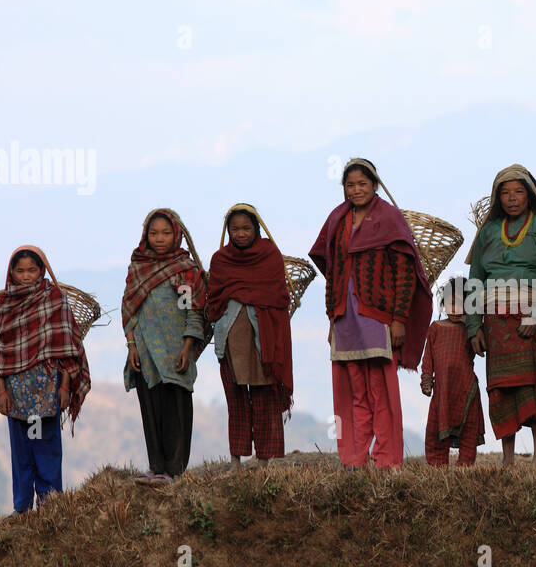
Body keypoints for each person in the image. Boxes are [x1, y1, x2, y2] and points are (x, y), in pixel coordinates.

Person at [309, 158, 433, 469]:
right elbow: (333, 272)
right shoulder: (337, 221)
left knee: (382, 390)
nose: (356, 190)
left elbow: (405, 273)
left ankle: (387, 459)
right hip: (345, 317)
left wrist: (399, 319)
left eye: (362, 184)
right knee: (351, 391)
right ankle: (353, 458)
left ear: (375, 185)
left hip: (379, 316)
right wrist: (332, 317)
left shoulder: (390, 219)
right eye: (350, 185)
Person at [466, 164, 536, 466]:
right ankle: (507, 458)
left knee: (533, 385)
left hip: (529, 322)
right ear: (498, 198)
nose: (512, 198)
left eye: (518, 192)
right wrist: (474, 327)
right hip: (495, 323)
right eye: (505, 193)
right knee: (501, 389)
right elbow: (475, 281)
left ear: (530, 195)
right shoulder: (487, 231)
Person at [0, 246, 91, 514]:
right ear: (11, 272)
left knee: (47, 448)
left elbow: (66, 349)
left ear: (42, 271)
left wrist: (66, 386)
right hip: (16, 392)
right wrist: (1, 392)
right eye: (19, 270)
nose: (25, 276)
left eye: (32, 270)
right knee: (21, 452)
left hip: (48, 389)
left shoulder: (55, 300)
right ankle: (21, 508)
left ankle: (51, 507)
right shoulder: (4, 307)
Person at [122, 208, 208, 484]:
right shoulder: (138, 267)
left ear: (178, 235)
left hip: (175, 351)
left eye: (166, 233)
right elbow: (131, 309)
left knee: (177, 408)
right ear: (145, 235)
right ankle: (156, 466)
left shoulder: (184, 270)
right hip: (145, 351)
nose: (159, 238)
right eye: (154, 232)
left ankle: (175, 469)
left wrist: (187, 346)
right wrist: (132, 345)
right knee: (151, 407)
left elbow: (192, 309)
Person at [206, 203, 293, 466]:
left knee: (265, 397)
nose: (241, 234)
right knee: (236, 400)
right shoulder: (220, 260)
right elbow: (214, 300)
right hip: (231, 340)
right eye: (235, 229)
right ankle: (236, 460)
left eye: (246, 228)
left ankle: (265, 461)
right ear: (228, 231)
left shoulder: (270, 256)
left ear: (256, 228)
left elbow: (279, 297)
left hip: (264, 342)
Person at [420, 276, 485, 467]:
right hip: (442, 391)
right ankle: (437, 467)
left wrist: (472, 322)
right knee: (435, 431)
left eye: (459, 302)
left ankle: (465, 466)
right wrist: (426, 381)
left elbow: (483, 346)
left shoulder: (471, 330)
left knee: (469, 432)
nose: (453, 306)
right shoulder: (436, 328)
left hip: (466, 389)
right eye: (449, 302)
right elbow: (428, 358)